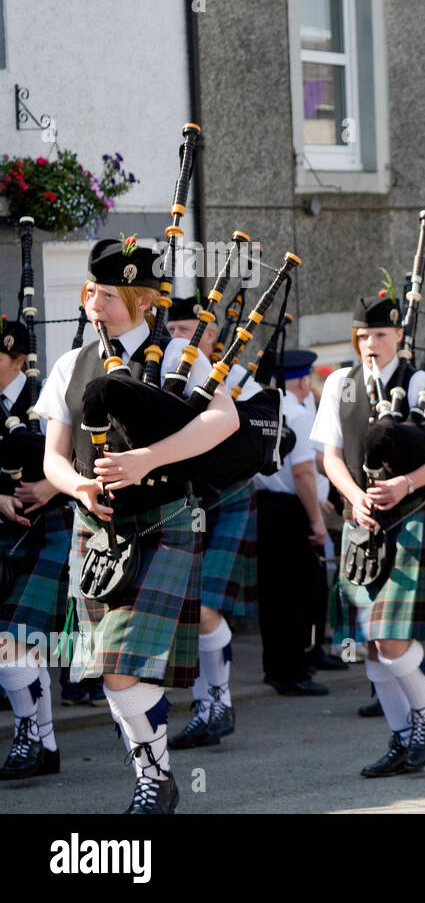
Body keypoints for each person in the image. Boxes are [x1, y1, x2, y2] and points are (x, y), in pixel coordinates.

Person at [33, 237, 240, 813]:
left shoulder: (176, 356)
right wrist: (78, 487)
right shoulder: (70, 365)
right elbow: (54, 456)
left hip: (166, 517)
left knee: (123, 669)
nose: (95, 304)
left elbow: (226, 419)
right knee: (112, 672)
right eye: (91, 292)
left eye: (109, 295)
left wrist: (148, 459)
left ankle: (153, 780)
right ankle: (159, 776)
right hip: (97, 527)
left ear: (142, 299)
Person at [312, 287, 425, 778]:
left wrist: (407, 482)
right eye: (362, 335)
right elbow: (329, 456)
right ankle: (402, 739)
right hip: (362, 521)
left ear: (399, 335)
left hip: (415, 513)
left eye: (380, 334)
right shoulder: (341, 384)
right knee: (371, 642)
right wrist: (352, 497)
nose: (370, 343)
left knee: (389, 636)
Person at [163, 296, 263, 747]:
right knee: (188, 610)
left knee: (203, 607)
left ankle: (217, 701)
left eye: (194, 330)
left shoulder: (239, 380)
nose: (185, 338)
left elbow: (268, 436)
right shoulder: (163, 379)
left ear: (214, 336)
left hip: (232, 496)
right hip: (186, 500)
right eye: (177, 330)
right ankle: (206, 706)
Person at [0, 318, 74, 779]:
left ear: (17, 360)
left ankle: (30, 735)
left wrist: (51, 486)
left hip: (51, 529)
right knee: (21, 648)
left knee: (13, 645)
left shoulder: (50, 400)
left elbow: (88, 457)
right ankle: (44, 745)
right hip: (4, 533)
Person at [254, 349, 330, 697]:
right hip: (291, 510)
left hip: (268, 508)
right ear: (302, 379)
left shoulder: (264, 407)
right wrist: (317, 521)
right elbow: (302, 473)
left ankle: (279, 667)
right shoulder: (297, 414)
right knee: (295, 594)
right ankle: (292, 671)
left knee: (276, 593)